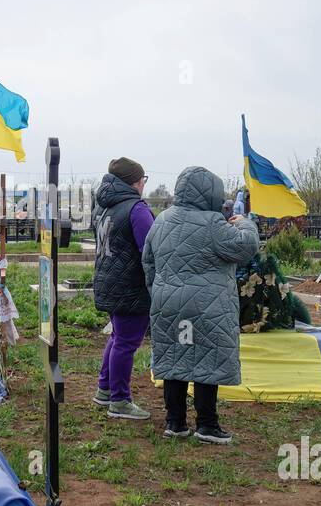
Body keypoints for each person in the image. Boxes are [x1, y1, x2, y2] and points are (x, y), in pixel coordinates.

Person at [143, 166, 260, 444]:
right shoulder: (213, 223)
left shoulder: (161, 220)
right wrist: (245, 223)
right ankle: (207, 425)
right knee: (207, 359)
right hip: (207, 307)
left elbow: (148, 262)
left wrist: (158, 292)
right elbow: (246, 247)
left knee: (175, 357)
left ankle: (175, 422)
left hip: (168, 304)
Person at [92, 157, 155, 420]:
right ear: (135, 182)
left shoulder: (104, 206)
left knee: (118, 337)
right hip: (131, 285)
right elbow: (150, 250)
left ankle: (105, 389)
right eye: (143, 180)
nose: (143, 185)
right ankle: (119, 400)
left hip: (109, 280)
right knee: (126, 342)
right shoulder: (136, 209)